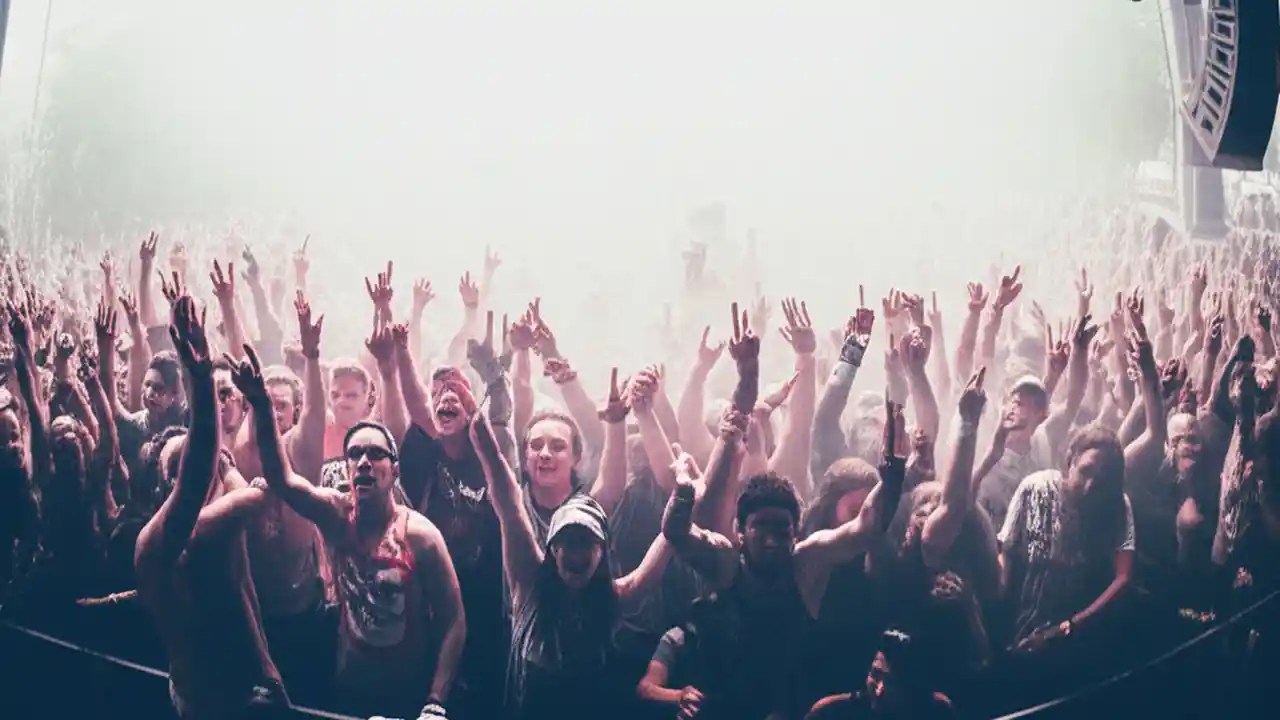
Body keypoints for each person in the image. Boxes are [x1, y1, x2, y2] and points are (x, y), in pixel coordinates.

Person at [236, 341, 466, 719]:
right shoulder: (335, 517)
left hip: (409, 696)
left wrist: (437, 701)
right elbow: (281, 478)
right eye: (354, 454)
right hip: (350, 688)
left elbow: (454, 620)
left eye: (375, 454)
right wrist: (261, 406)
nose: (363, 461)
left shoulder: (421, 537)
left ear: (394, 471)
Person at [659, 399, 908, 719]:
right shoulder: (726, 561)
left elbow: (866, 528)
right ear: (740, 530)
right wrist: (683, 492)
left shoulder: (807, 563)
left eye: (781, 527)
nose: (771, 539)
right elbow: (677, 533)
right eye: (760, 527)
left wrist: (892, 476)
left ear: (796, 531)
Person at [133, 295, 290, 719]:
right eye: (179, 465)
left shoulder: (226, 519)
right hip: (207, 702)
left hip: (253, 683)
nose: (202, 471)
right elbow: (206, 469)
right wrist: (199, 381)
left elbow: (231, 481)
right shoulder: (158, 544)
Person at [469, 406, 674, 717]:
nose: (576, 553)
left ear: (602, 550)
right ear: (552, 549)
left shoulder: (615, 595)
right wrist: (480, 428)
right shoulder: (530, 588)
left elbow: (669, 537)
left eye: (585, 542)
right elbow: (508, 503)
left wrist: (685, 495)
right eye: (567, 542)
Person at [805, 629, 954, 720]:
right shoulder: (832, 712)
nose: (879, 691)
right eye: (875, 675)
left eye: (893, 683)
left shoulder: (936, 712)